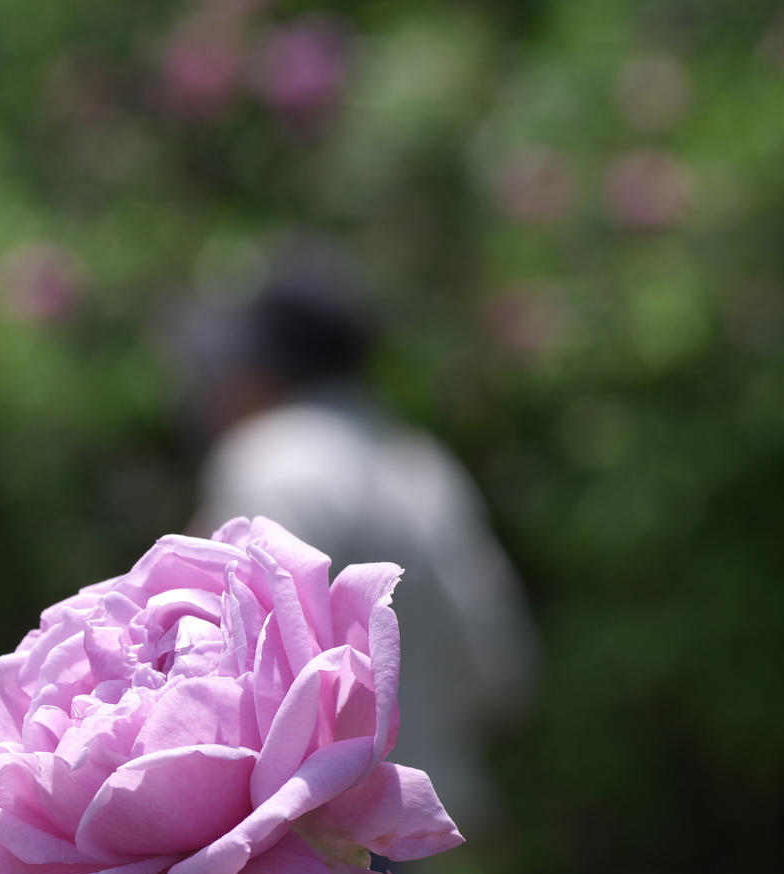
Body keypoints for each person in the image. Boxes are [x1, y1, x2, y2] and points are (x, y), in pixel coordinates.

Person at [183, 248, 536, 836]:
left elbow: (218, 673)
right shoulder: (421, 463)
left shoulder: (265, 460)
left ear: (256, 371)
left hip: (301, 832)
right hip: (425, 824)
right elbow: (501, 669)